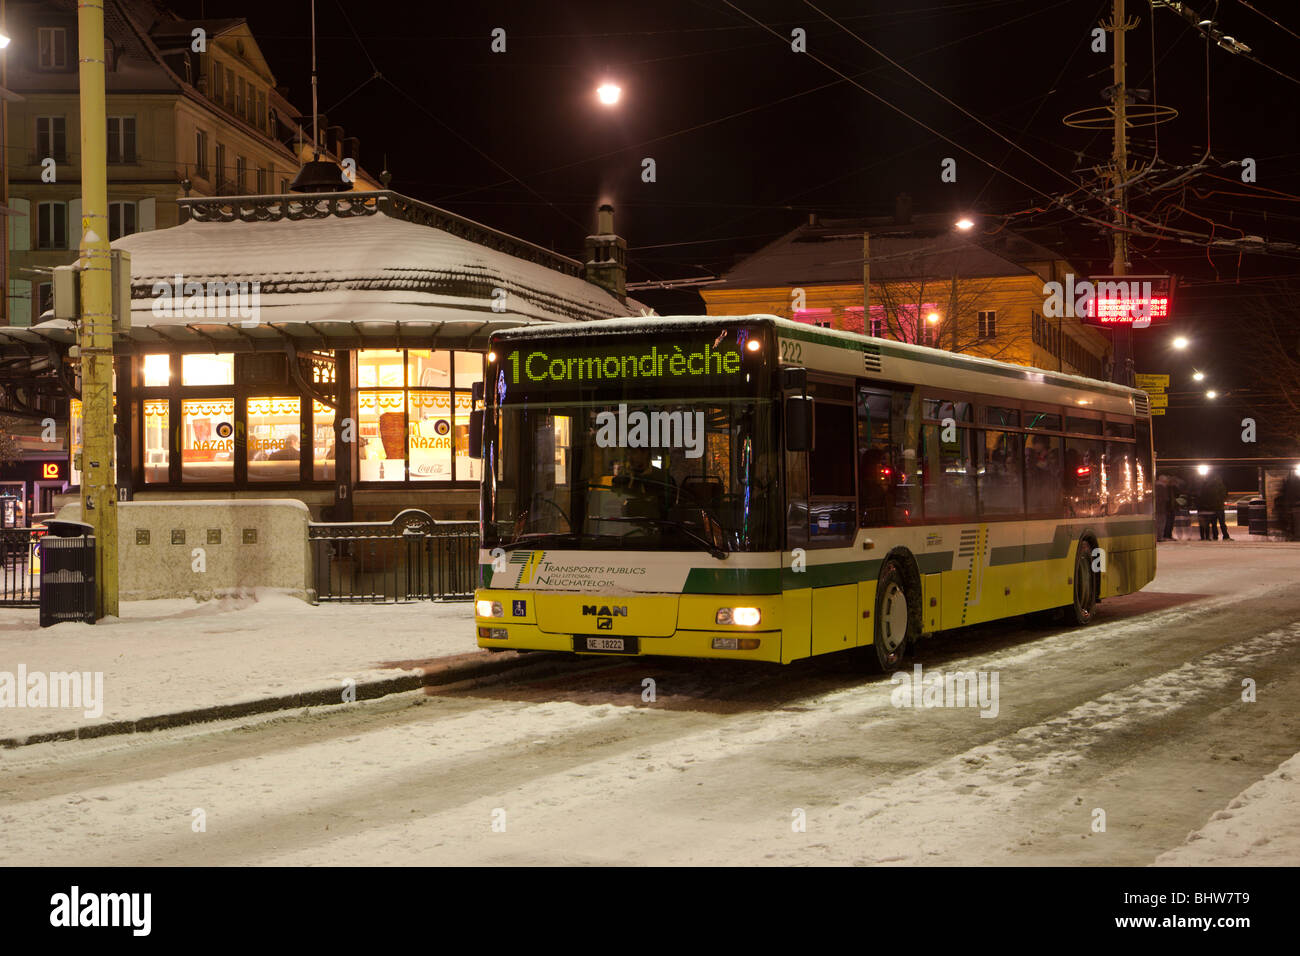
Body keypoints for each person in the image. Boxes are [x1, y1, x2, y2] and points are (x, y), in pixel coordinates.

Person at [612, 446, 676, 519]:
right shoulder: (621, 480)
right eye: (628, 454)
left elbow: (668, 511)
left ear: (645, 453)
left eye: (634, 453)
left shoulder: (663, 479)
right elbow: (615, 506)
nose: (630, 458)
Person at [1197, 470, 1228, 541]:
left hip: (1212, 507)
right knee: (1222, 523)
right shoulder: (1220, 486)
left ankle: (1215, 536)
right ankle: (1225, 536)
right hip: (1219, 507)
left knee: (1214, 523)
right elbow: (1224, 495)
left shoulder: (1208, 486)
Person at [1155, 474, 1175, 540]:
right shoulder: (1162, 488)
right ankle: (1160, 537)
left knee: (1158, 522)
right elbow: (1165, 499)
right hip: (1161, 509)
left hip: (1158, 509)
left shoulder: (1156, 487)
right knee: (1161, 523)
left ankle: (1159, 536)